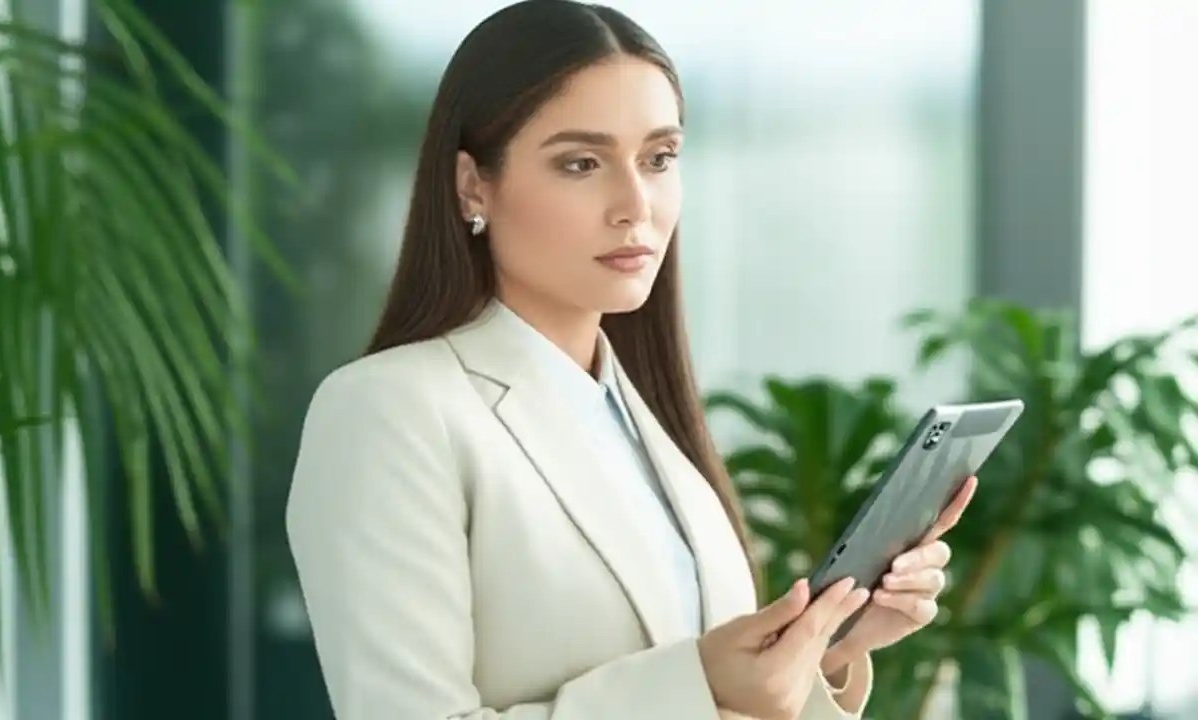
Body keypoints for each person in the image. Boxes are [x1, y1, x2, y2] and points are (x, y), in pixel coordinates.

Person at [286, 2, 975, 718]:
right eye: (581, 163)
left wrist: (825, 648)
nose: (634, 204)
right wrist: (699, 685)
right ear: (472, 185)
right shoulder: (387, 411)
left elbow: (703, 679)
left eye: (659, 158)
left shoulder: (644, 422)